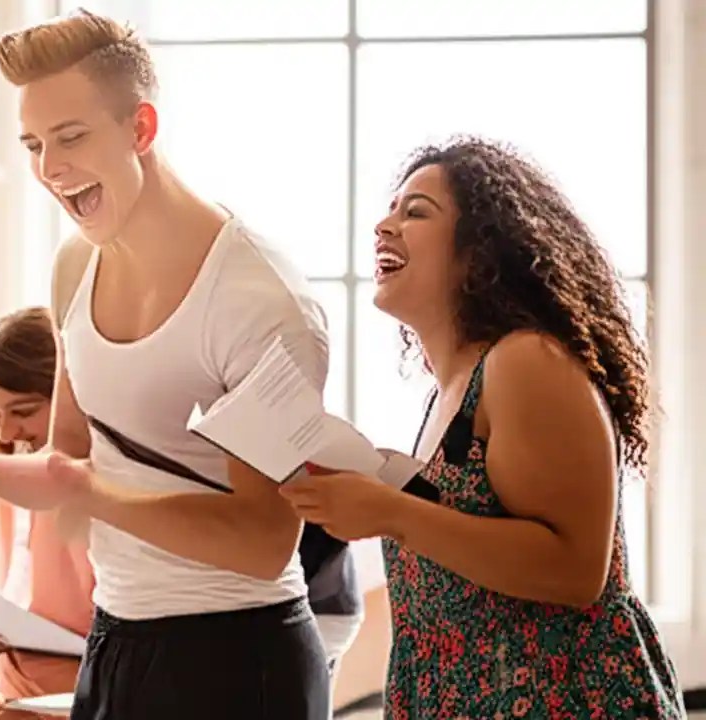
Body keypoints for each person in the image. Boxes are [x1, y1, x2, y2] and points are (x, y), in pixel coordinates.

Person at [0, 10, 333, 718]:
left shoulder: (260, 300)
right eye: (32, 144)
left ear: (141, 129)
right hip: (116, 641)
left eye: (71, 137)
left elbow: (264, 542)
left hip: (239, 654)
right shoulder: (73, 267)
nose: (49, 170)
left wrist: (85, 490)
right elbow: (70, 461)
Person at [279, 136, 686, 718]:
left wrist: (390, 511)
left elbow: (575, 570)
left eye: (415, 212)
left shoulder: (525, 362)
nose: (382, 226)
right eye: (391, 209)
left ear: (480, 253)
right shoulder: (449, 393)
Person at [0, 307, 95, 718]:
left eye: (22, 412)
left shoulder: (108, 485)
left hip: (88, 696)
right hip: (9, 695)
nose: (5, 432)